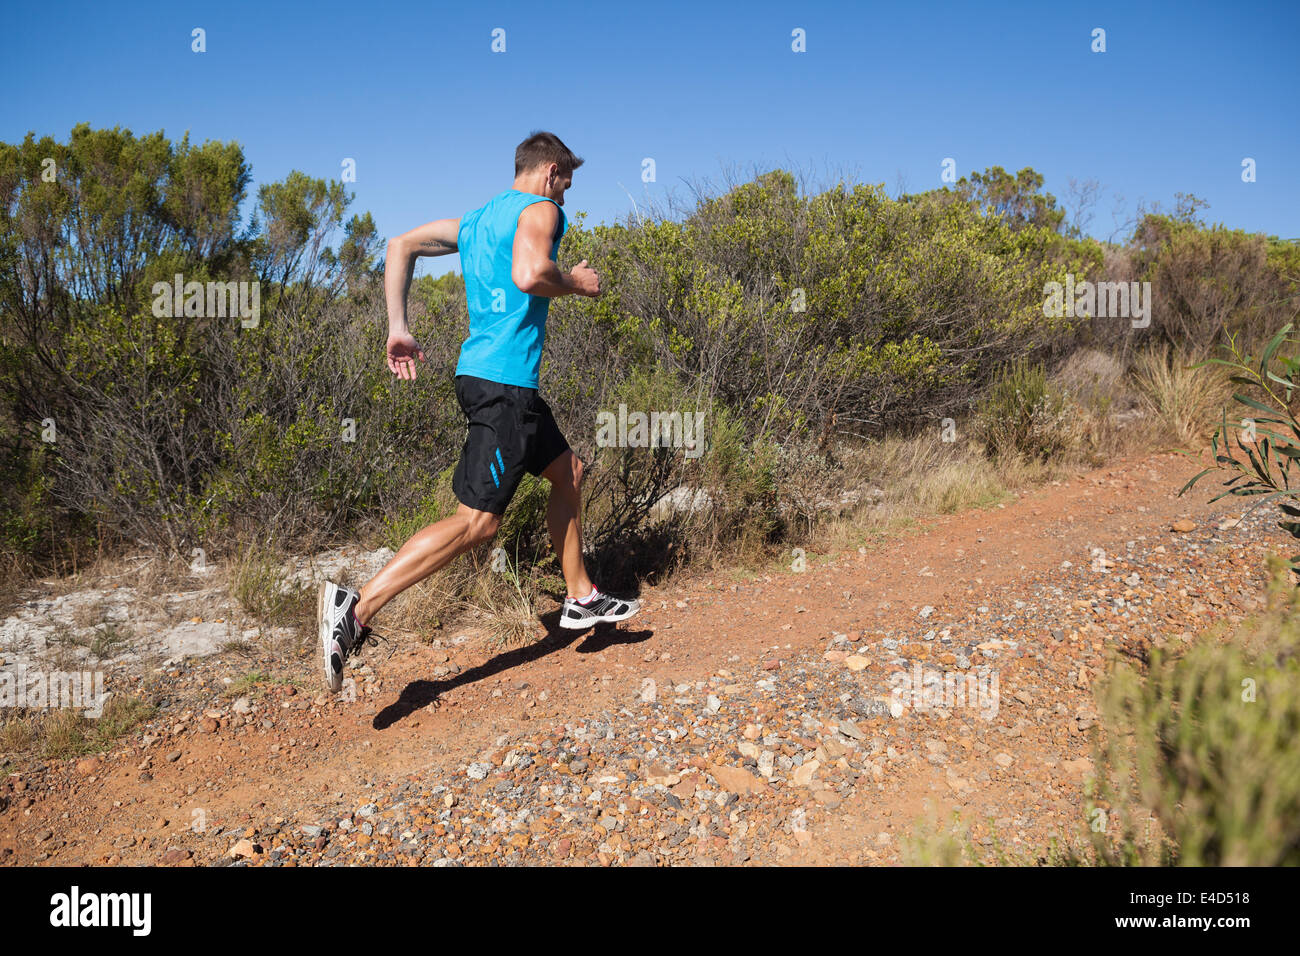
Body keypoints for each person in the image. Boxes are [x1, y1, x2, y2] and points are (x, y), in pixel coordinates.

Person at [319, 131, 640, 692]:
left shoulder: (475, 221)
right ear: (549, 172)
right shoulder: (542, 211)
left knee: (569, 472)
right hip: (504, 387)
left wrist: (398, 327)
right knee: (478, 521)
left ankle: (581, 598)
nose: (564, 198)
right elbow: (529, 275)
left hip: (494, 380)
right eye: (566, 185)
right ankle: (357, 609)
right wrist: (578, 283)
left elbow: (399, 245)